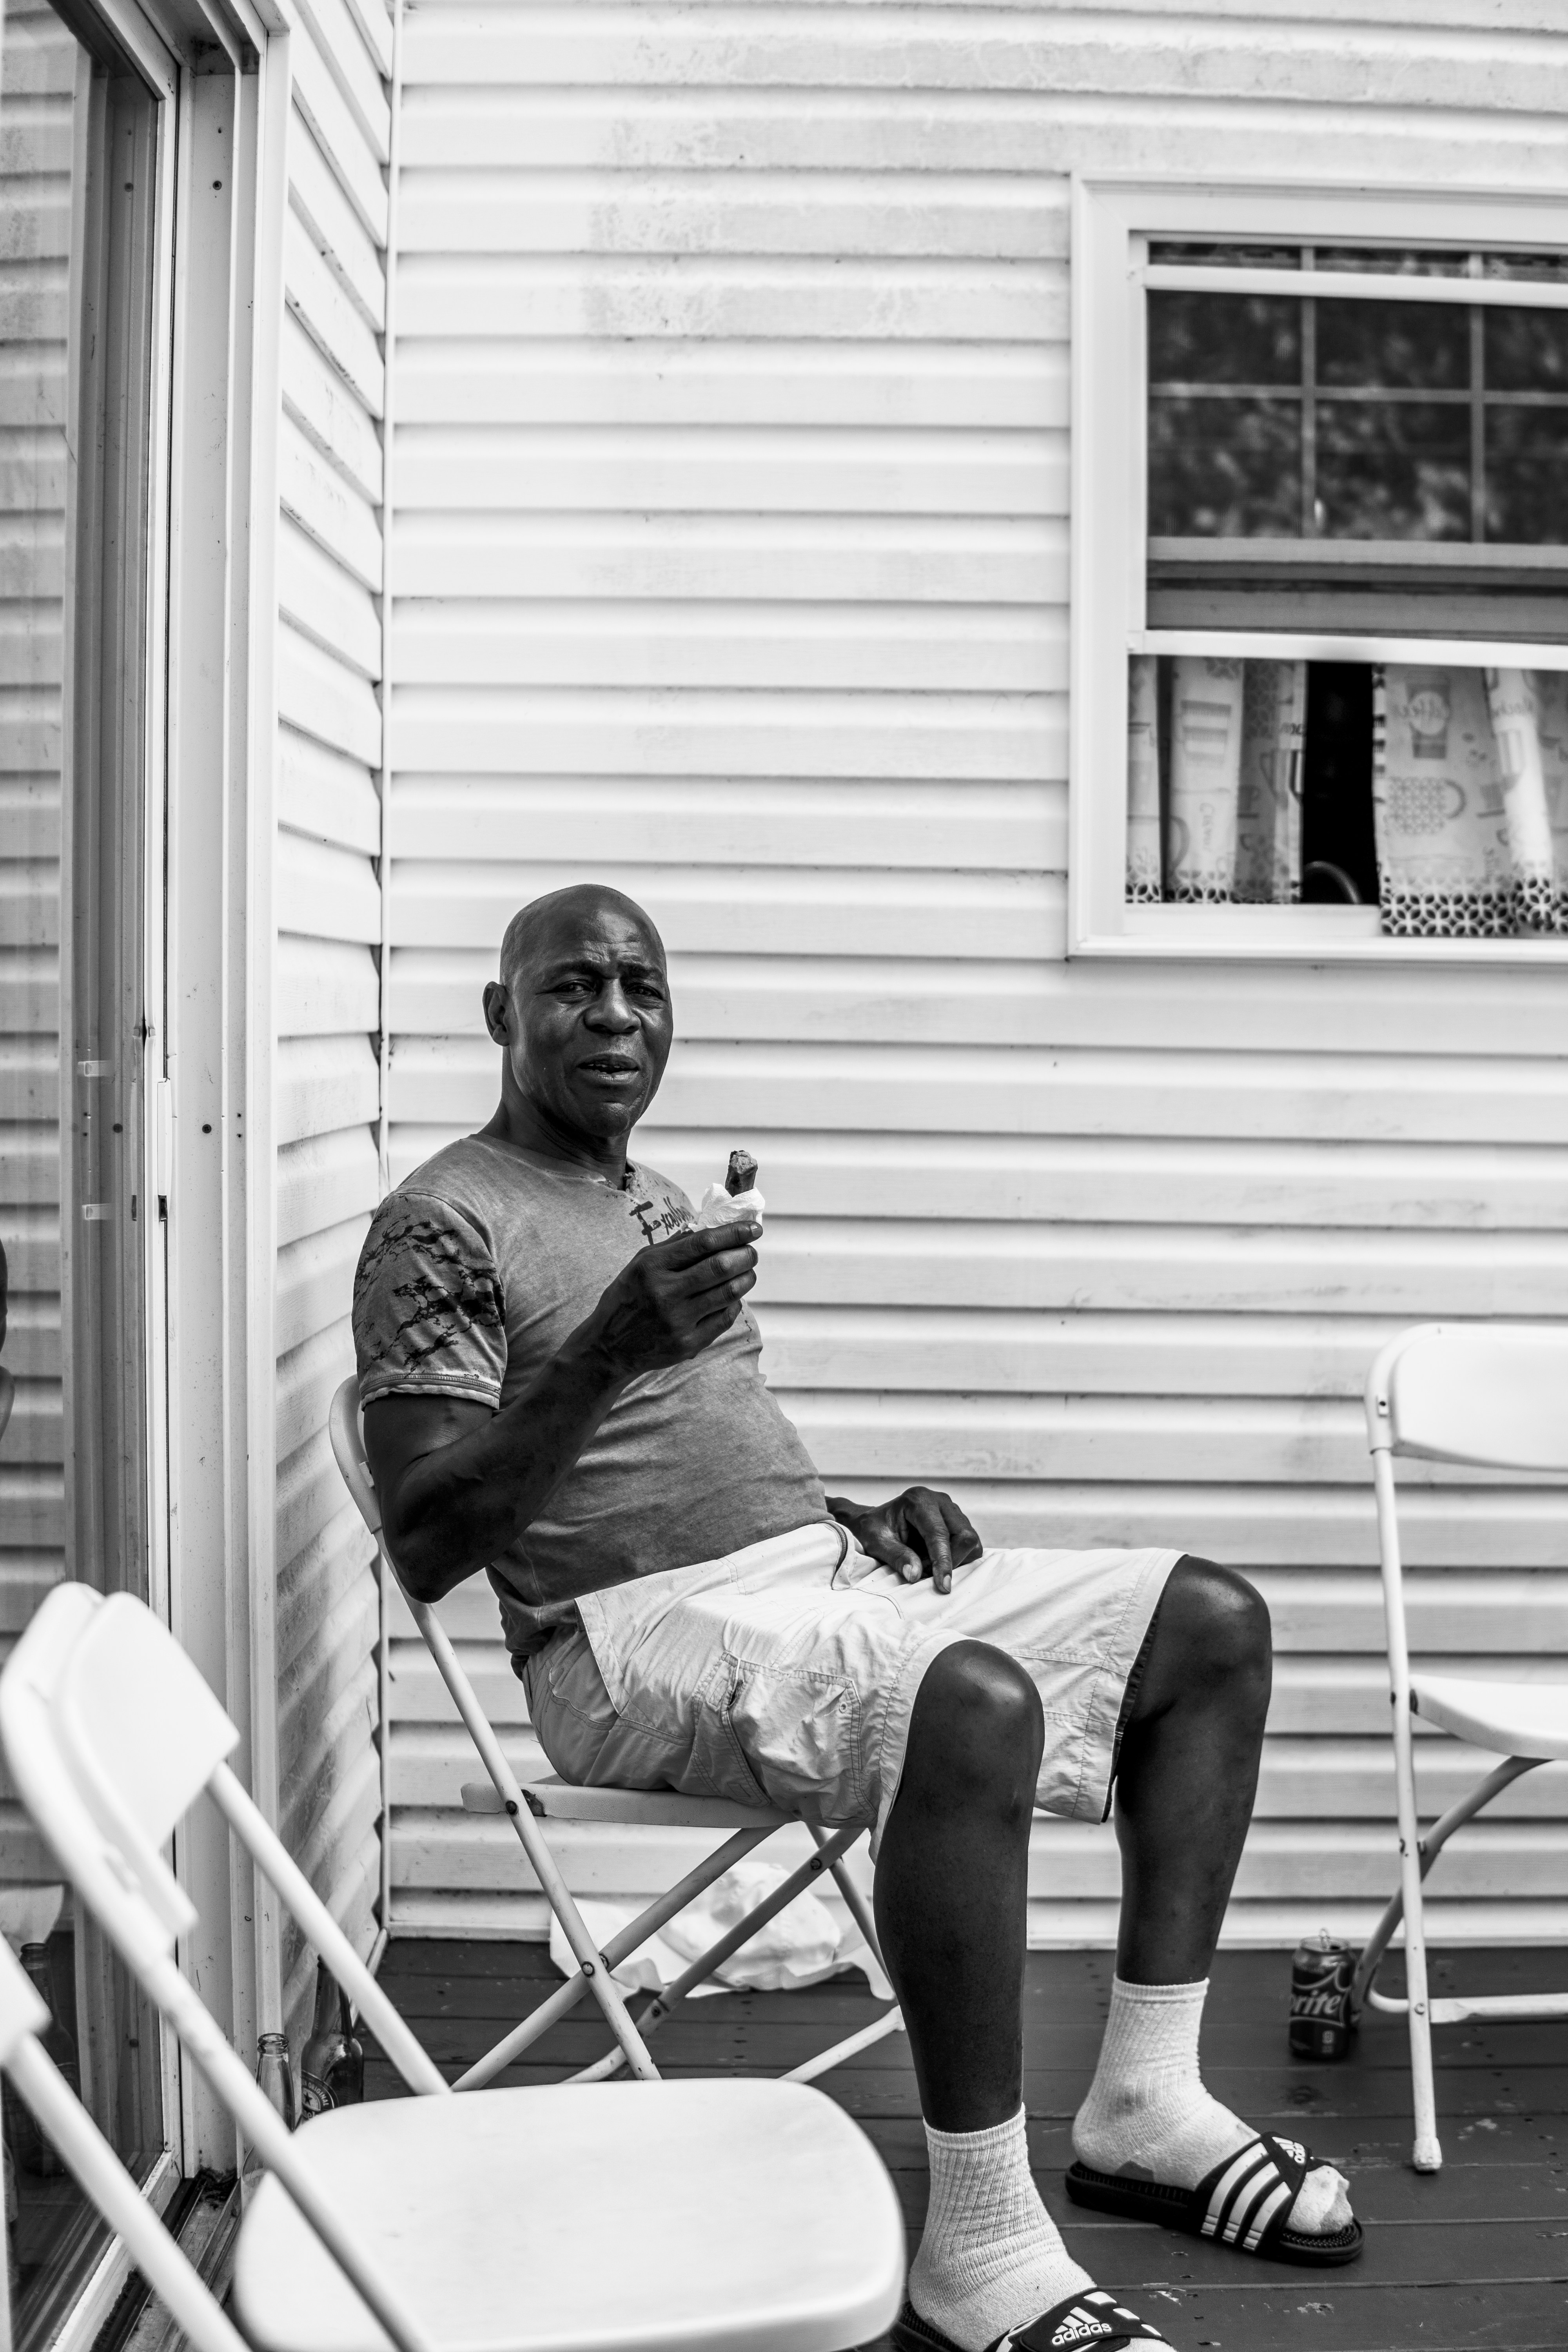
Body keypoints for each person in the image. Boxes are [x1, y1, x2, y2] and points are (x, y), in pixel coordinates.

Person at [353, 885, 1360, 2352]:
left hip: (802, 1584)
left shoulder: (660, 1202)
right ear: (501, 1016)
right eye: (574, 987)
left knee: (1210, 1621)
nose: (617, 1014)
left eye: (643, 985)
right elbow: (432, 1540)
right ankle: (981, 2241)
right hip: (621, 1642)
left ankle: (1145, 2106)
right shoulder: (438, 1223)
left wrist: (848, 1521)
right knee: (972, 1699)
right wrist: (613, 1345)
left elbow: (689, 1455)